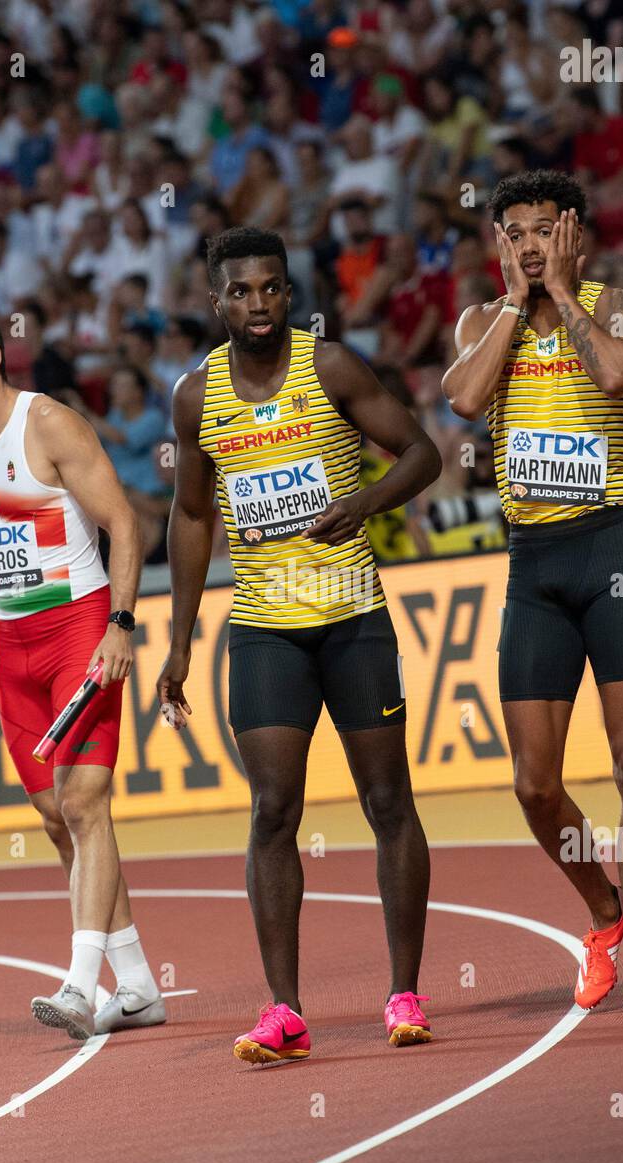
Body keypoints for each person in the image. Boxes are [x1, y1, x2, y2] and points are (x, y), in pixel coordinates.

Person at [159, 227, 442, 1062]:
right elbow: (191, 514)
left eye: (272, 288)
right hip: (264, 628)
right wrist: (178, 640)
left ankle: (404, 992)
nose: (258, 304)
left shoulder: (332, 367)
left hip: (352, 614)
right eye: (241, 291)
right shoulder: (195, 396)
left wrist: (367, 503)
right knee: (273, 811)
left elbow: (422, 453)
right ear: (217, 302)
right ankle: (284, 1010)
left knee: (387, 803)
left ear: (290, 292)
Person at [442, 170, 623, 1019]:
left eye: (544, 229)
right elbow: (467, 399)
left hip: (612, 547)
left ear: (573, 233)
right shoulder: (483, 320)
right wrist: (518, 303)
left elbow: (618, 374)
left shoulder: (619, 304)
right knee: (534, 785)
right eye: (514, 232)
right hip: (534, 562)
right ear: (497, 244)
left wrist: (565, 298)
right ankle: (604, 914)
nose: (530, 245)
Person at [0, 304, 164, 1042]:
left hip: (78, 630)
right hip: (15, 651)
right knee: (59, 818)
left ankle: (77, 983)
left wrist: (122, 623)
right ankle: (136, 985)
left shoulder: (51, 424)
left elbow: (125, 522)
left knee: (85, 800)